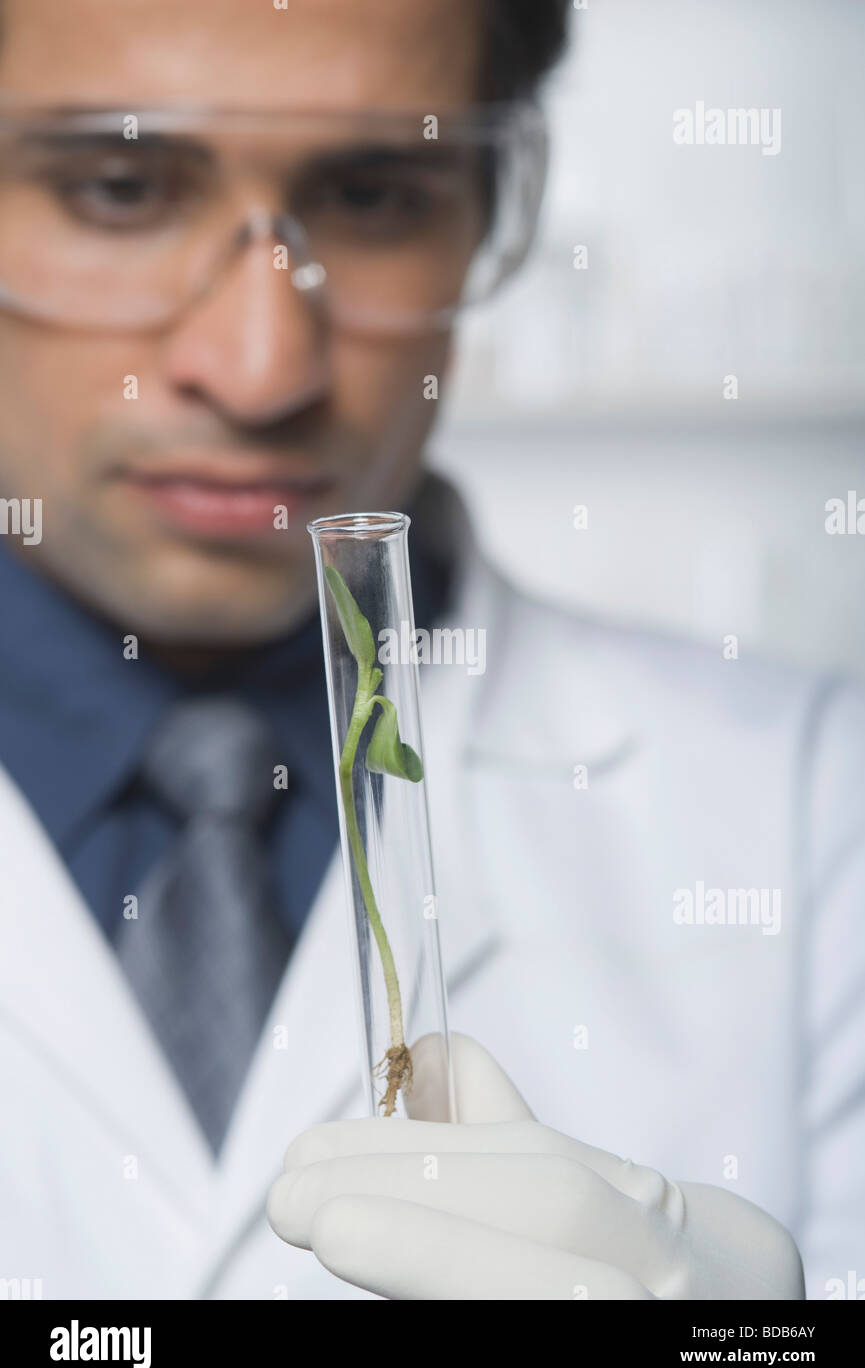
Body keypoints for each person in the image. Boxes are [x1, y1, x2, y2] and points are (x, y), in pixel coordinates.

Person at [0, 0, 860, 1302]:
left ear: (486, 205)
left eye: (374, 192)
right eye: (120, 187)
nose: (259, 367)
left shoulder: (811, 803)